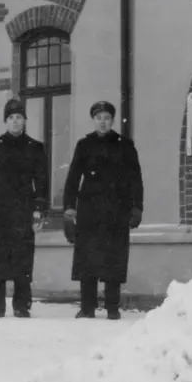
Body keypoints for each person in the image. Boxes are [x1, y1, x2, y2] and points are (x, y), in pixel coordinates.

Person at [62, 101, 144, 320]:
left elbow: (136, 179)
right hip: (89, 209)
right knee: (87, 259)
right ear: (93, 120)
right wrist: (69, 207)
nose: (103, 122)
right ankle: (87, 307)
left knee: (114, 259)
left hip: (117, 210)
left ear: (112, 120)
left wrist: (137, 208)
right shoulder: (84, 145)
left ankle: (112, 307)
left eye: (107, 118)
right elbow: (72, 178)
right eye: (99, 118)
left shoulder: (125, 145)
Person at [0, 98, 49, 319]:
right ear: (5, 122)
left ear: (25, 121)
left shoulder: (35, 148)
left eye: (19, 118)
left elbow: (42, 182)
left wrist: (38, 208)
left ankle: (22, 305)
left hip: (23, 210)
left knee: (22, 258)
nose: (15, 122)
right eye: (11, 118)